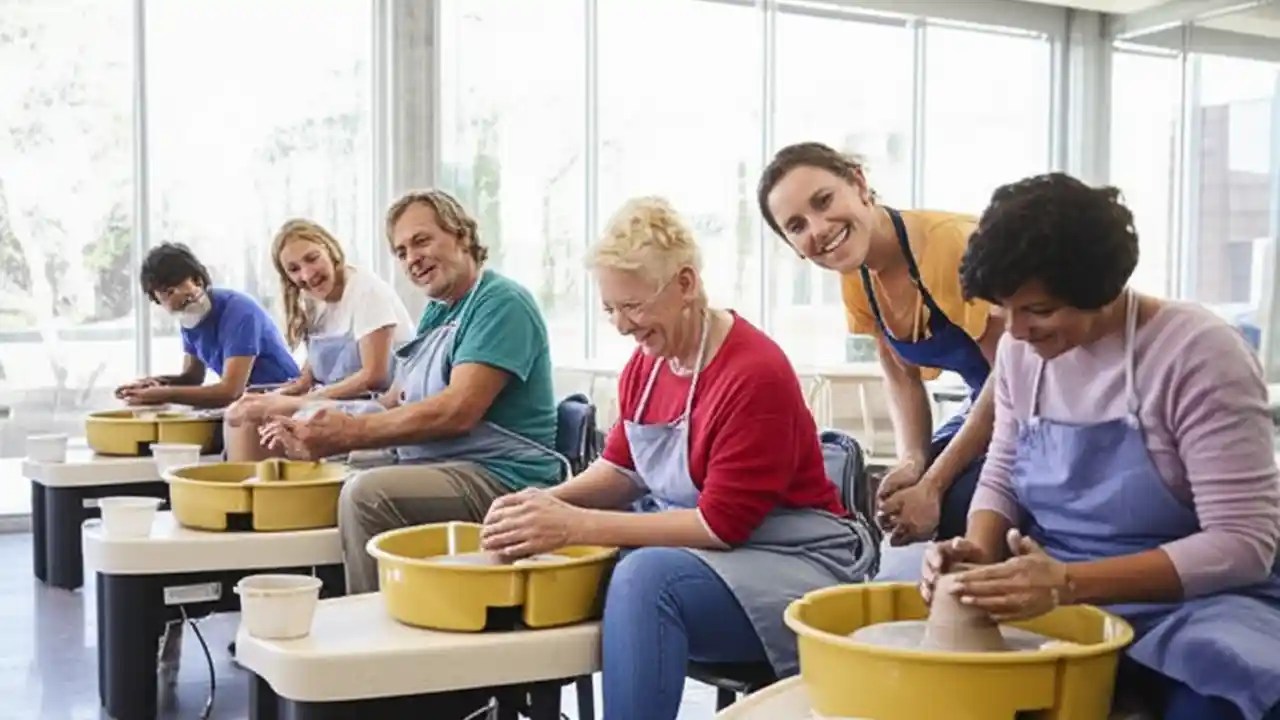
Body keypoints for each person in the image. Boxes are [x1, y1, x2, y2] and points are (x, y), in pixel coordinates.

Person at [479, 197, 876, 720]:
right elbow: (622, 470)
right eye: (610, 309)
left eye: (634, 306)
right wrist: (538, 504)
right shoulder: (647, 366)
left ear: (686, 284)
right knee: (551, 563)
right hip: (705, 553)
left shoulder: (753, 372)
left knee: (647, 579)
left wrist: (574, 525)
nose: (622, 326)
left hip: (797, 562)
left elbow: (721, 525)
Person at [921, 173, 1280, 720]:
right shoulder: (1021, 353)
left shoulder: (1198, 353)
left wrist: (1069, 584)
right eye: (1003, 308)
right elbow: (1002, 470)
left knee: (1219, 697)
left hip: (1192, 601)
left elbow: (1243, 544)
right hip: (1050, 577)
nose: (1015, 332)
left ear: (1103, 288)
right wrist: (977, 554)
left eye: (1039, 310)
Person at [257, 189, 563, 594]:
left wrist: (350, 433)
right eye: (401, 252)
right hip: (442, 462)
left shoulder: (501, 303)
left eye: (421, 241)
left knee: (367, 495)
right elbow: (392, 400)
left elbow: (457, 411)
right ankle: (316, 604)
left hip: (501, 476)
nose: (411, 259)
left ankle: (374, 640)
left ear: (462, 235)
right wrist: (321, 426)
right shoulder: (440, 310)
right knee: (327, 480)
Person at [758, 142, 1001, 549]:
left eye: (823, 201)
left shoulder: (949, 245)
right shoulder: (857, 275)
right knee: (894, 506)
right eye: (797, 226)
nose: (818, 229)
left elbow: (1012, 377)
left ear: (859, 183)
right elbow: (902, 378)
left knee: (958, 503)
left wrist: (936, 484)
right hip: (989, 402)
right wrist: (911, 462)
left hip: (1051, 400)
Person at [223, 219, 415, 461]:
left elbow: (374, 376)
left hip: (380, 405)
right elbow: (309, 377)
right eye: (294, 269)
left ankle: (259, 493)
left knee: (253, 419)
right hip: (338, 401)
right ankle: (246, 494)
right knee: (240, 410)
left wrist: (300, 402)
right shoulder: (313, 300)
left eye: (312, 258)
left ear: (330, 250)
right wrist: (276, 395)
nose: (307, 274)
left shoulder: (366, 291)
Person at [114, 242, 299, 408]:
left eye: (179, 287)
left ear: (197, 280)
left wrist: (163, 394)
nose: (177, 296)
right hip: (248, 406)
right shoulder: (188, 319)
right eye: (167, 293)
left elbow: (231, 391)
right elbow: (192, 377)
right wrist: (153, 383)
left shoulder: (239, 311)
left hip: (284, 400)